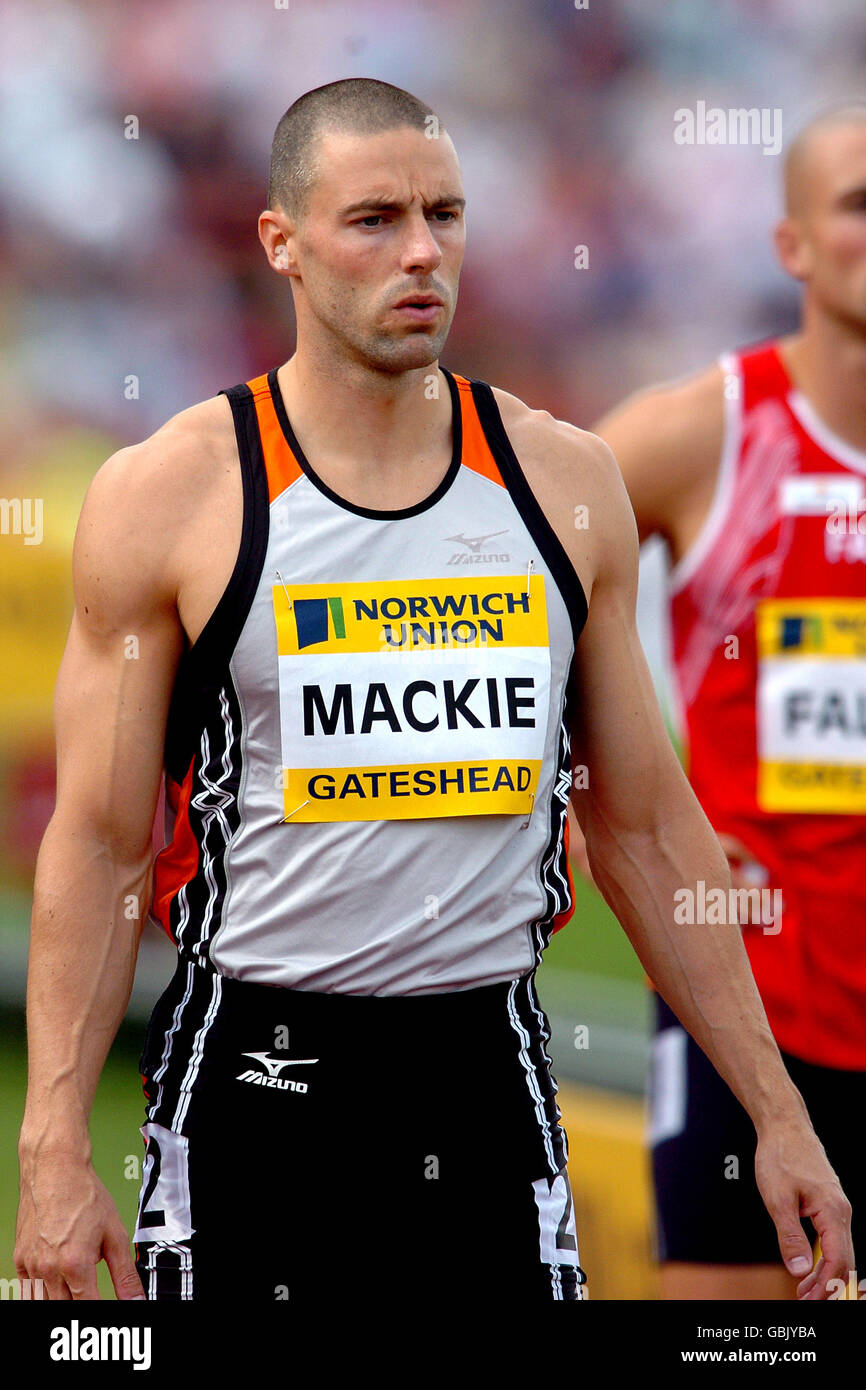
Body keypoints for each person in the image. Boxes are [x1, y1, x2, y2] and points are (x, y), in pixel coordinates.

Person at [15, 79, 852, 1305]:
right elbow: (95, 847)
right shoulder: (176, 494)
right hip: (258, 1072)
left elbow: (643, 825)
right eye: (373, 220)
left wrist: (773, 1113)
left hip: (483, 1076)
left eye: (444, 213)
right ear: (281, 245)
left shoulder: (560, 482)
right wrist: (49, 1149)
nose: (420, 251)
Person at [577, 104, 866, 1300]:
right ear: (789, 244)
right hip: (757, 1009)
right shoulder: (702, 434)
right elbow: (516, 575)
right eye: (858, 202)